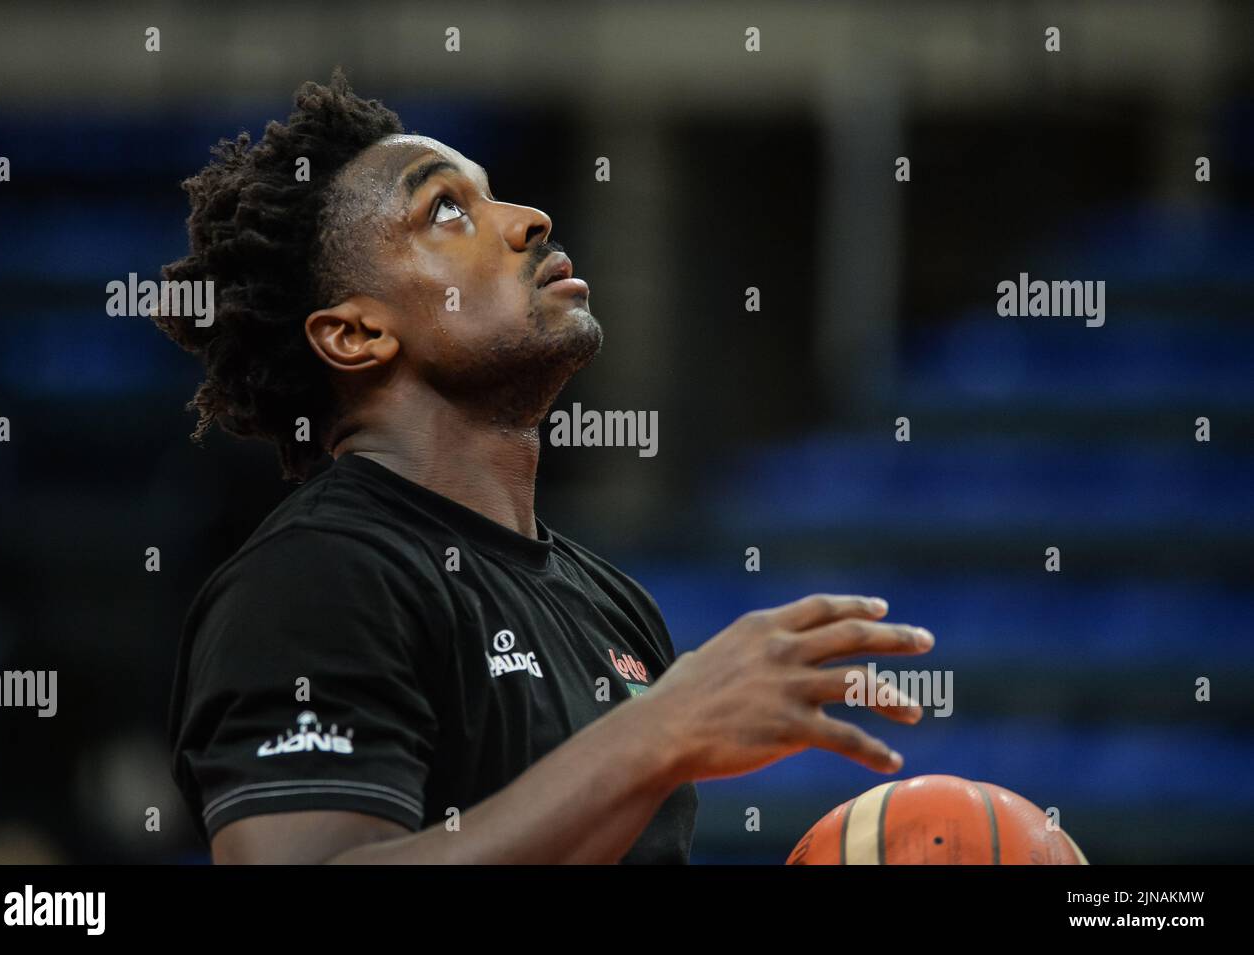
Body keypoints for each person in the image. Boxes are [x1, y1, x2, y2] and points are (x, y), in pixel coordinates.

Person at [157, 69, 935, 864]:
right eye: (448, 210)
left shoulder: (612, 604)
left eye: (496, 195)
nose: (531, 221)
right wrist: (657, 731)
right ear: (356, 334)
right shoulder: (316, 580)